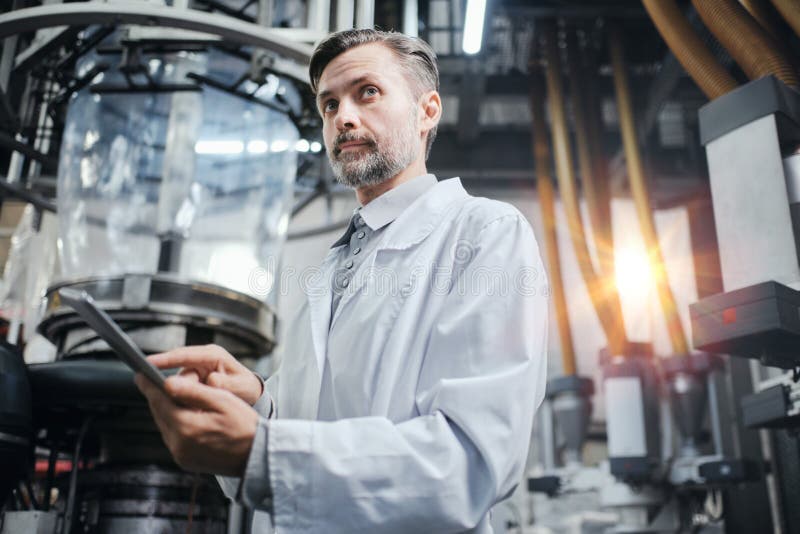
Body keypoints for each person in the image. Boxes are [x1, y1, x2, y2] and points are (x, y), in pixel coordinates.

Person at [135, 29, 548, 533]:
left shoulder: (484, 234)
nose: (343, 118)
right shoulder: (335, 266)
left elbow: (470, 463)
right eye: (329, 105)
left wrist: (264, 453)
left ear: (427, 111)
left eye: (367, 92)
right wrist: (258, 399)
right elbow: (322, 419)